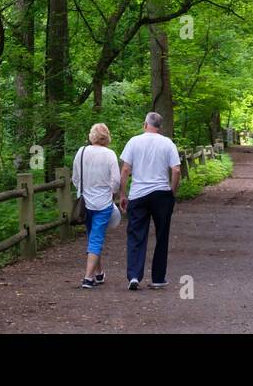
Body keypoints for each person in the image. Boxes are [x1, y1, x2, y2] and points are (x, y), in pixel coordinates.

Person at [118, 111, 181, 290]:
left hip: (138, 194)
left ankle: (134, 276)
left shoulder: (134, 141)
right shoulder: (168, 143)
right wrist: (172, 192)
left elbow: (124, 170)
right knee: (162, 236)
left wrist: (123, 194)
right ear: (159, 127)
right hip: (162, 194)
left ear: (145, 124)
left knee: (136, 234)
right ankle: (158, 278)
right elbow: (176, 170)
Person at [71, 122, 120, 289]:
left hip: (85, 202)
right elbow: (116, 182)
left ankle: (99, 274)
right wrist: (111, 193)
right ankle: (88, 278)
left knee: (93, 236)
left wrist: (82, 190)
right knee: (96, 238)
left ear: (91, 135)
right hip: (103, 203)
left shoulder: (81, 152)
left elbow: (75, 178)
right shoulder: (110, 154)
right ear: (107, 137)